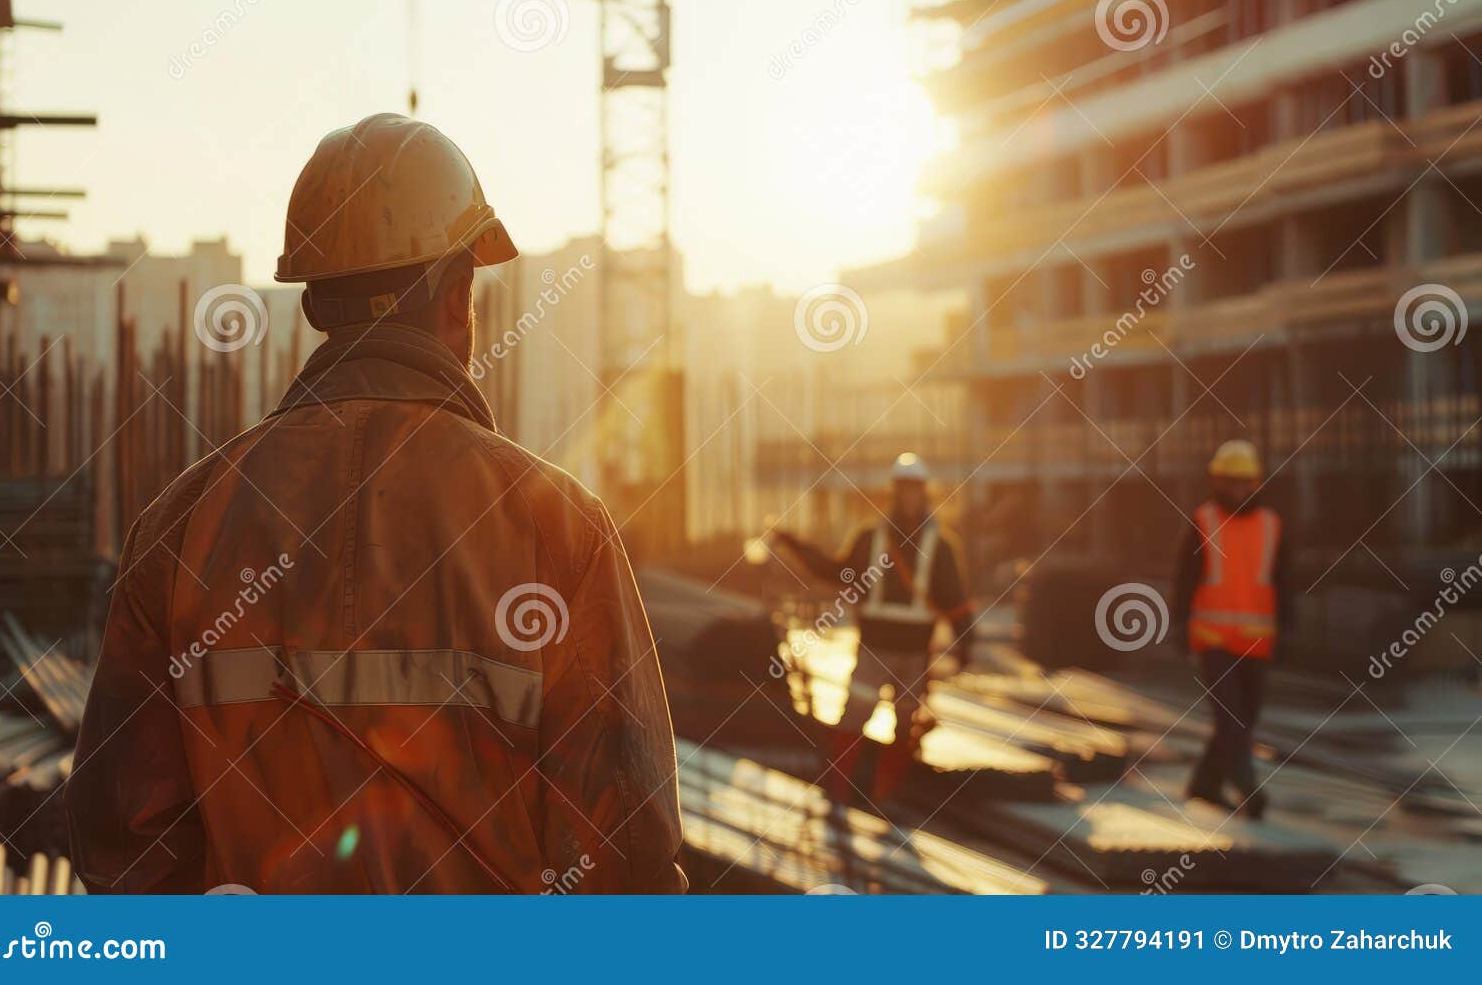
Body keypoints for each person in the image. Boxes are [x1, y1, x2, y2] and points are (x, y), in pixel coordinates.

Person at [66, 115, 687, 894]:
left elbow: (123, 835)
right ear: (459, 298)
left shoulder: (184, 522)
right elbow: (623, 852)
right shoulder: (555, 527)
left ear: (313, 306)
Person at [770, 453, 975, 805]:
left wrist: (966, 644)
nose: (909, 497)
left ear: (923, 493)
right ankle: (836, 798)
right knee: (852, 721)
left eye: (915, 490)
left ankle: (886, 800)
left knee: (903, 728)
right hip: (873, 651)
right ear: (895, 492)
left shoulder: (940, 546)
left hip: (913, 655)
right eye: (904, 490)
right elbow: (835, 570)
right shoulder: (871, 538)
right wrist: (793, 544)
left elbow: (956, 602)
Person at [1172, 439, 1292, 820]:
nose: (1235, 489)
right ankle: (1248, 789)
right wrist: (1178, 625)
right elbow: (1184, 579)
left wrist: (1289, 628)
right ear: (1217, 482)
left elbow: (1284, 582)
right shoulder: (1204, 521)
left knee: (1245, 718)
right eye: (1228, 481)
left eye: (1241, 482)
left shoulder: (1272, 526)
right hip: (1213, 639)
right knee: (1230, 718)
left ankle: (1204, 784)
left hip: (1257, 641)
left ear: (1254, 483)